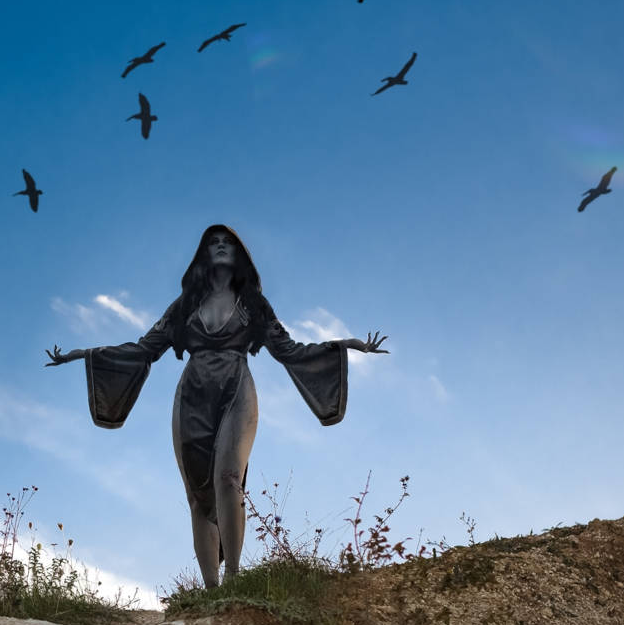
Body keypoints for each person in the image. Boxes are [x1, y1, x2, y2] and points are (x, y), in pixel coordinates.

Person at [46, 224, 388, 588]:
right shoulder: (185, 306)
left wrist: (344, 345)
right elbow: (145, 349)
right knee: (197, 494)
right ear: (205, 254)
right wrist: (85, 355)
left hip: (237, 390)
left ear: (238, 253)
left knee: (228, 479)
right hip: (191, 396)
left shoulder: (254, 304)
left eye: (228, 243)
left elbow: (289, 350)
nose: (221, 247)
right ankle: (211, 592)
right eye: (214, 243)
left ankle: (235, 578)